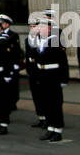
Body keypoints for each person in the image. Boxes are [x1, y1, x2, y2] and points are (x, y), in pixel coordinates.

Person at [27, 13, 69, 141]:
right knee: (46, 103)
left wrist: (63, 79)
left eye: (43, 27)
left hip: (54, 76)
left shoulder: (55, 41)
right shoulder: (38, 41)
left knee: (55, 104)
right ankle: (50, 128)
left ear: (49, 29)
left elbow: (63, 62)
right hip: (42, 75)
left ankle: (58, 130)